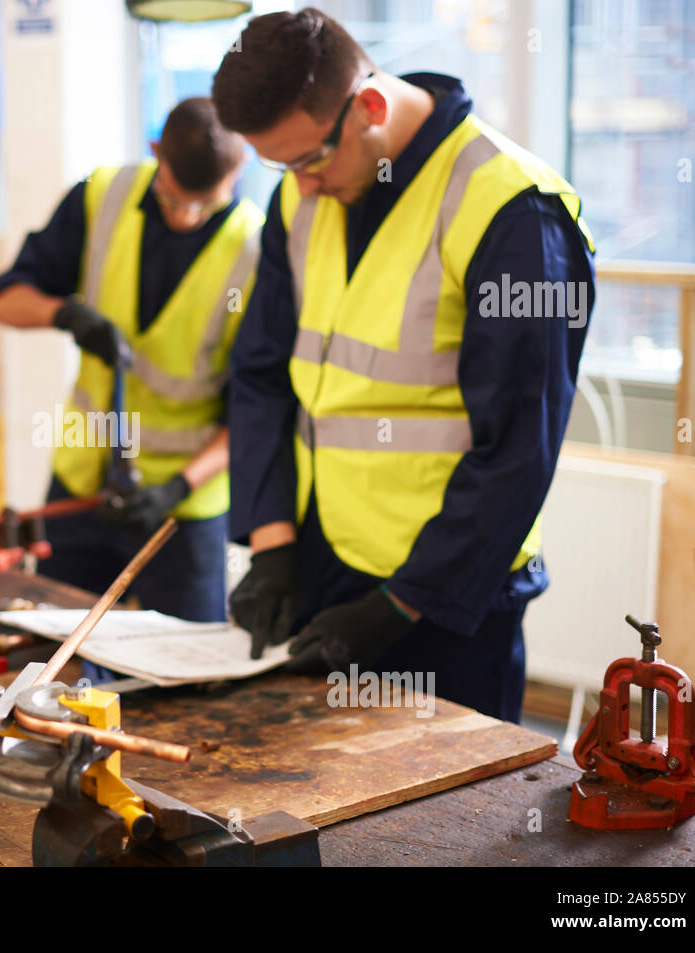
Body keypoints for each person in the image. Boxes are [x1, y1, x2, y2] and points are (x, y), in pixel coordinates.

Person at [212, 9, 595, 722]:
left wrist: (401, 605)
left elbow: (518, 444)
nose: (299, 187)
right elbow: (262, 376)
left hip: (447, 596)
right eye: (279, 166)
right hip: (323, 564)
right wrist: (271, 546)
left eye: (307, 160)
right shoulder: (301, 202)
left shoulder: (514, 213)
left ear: (370, 108)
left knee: (445, 825)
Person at [0, 98, 264, 657]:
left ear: (242, 167)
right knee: (56, 659)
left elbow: (255, 408)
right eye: (174, 196)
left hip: (184, 508)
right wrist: (65, 315)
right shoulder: (101, 197)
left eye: (204, 204)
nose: (185, 216)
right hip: (83, 490)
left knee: (187, 670)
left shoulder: (256, 252)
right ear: (155, 152)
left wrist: (178, 488)